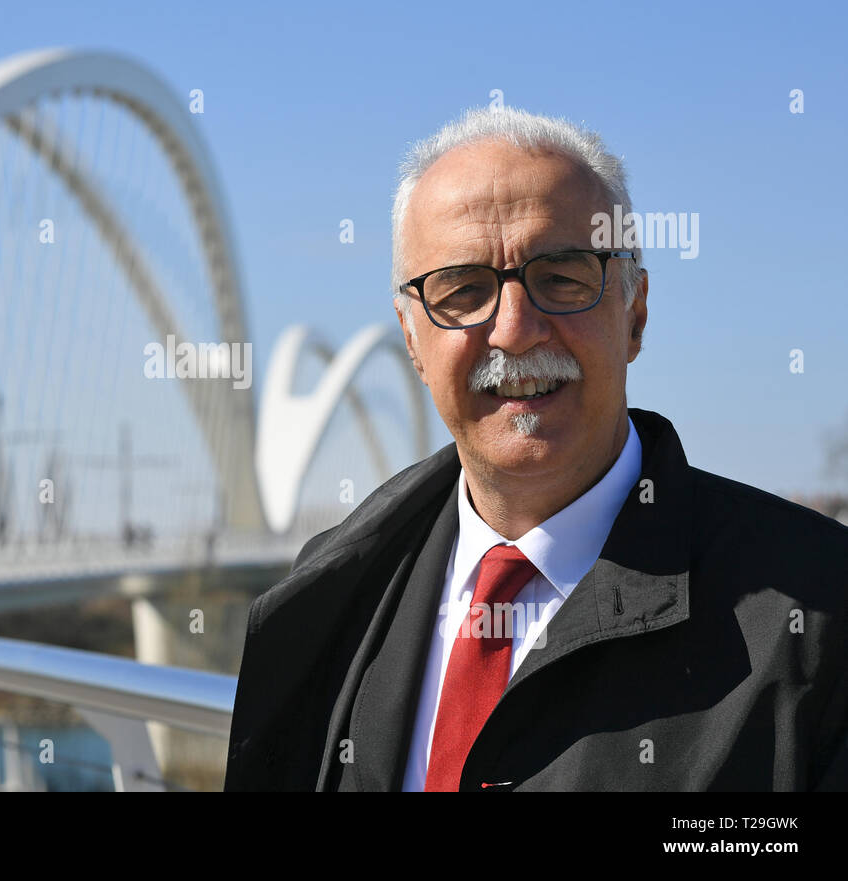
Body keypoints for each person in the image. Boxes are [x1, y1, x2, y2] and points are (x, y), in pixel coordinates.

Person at [223, 106, 848, 791]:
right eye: (462, 290)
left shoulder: (820, 617)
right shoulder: (333, 596)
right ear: (412, 340)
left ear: (634, 314)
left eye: (562, 277)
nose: (515, 330)